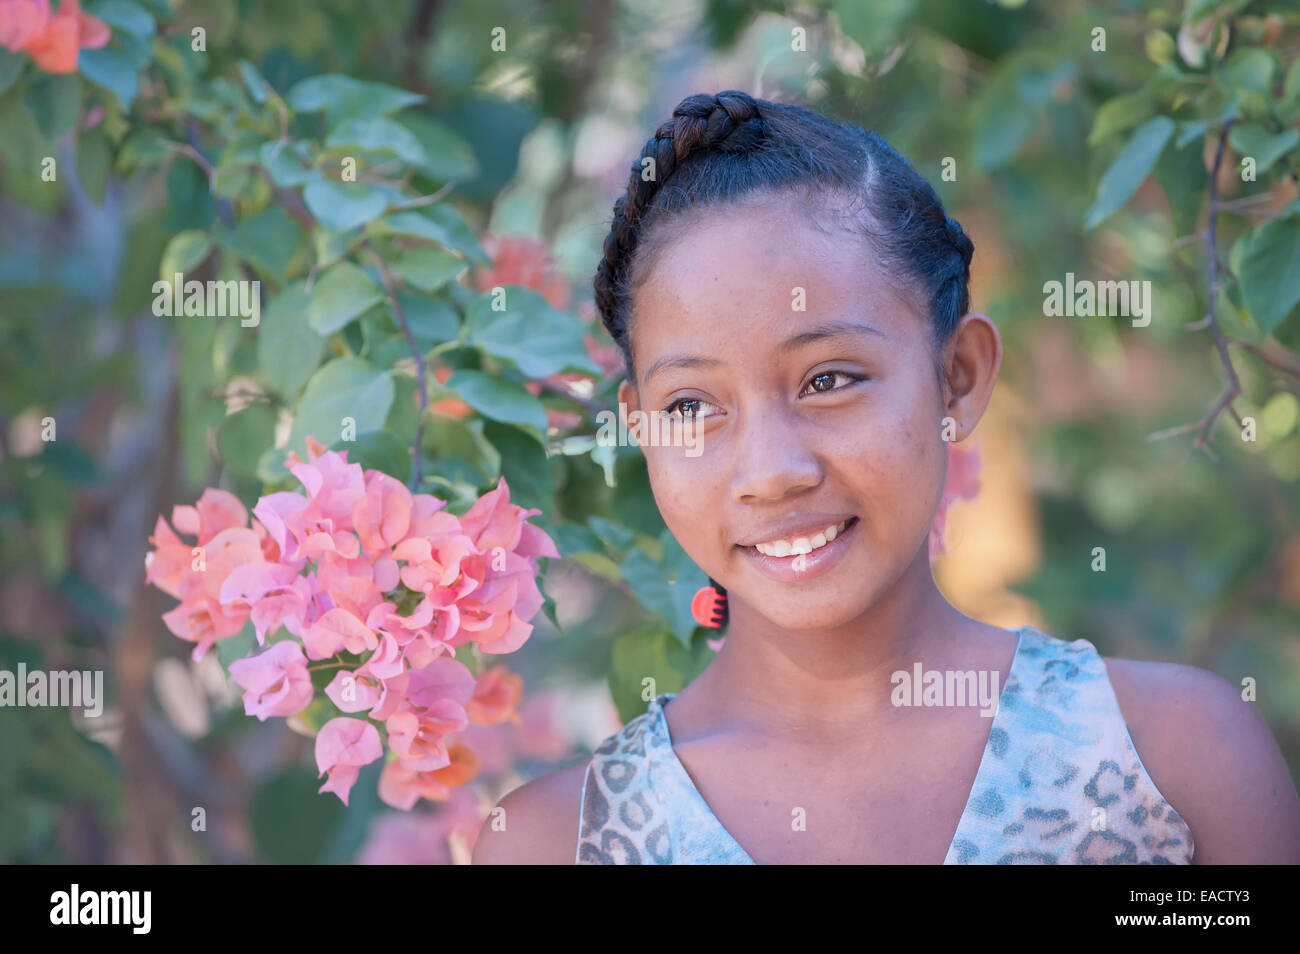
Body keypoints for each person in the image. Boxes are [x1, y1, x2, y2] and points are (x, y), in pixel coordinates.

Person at [472, 90, 1300, 864]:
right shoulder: (559, 842)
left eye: (829, 379)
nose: (771, 473)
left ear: (959, 377)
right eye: (691, 405)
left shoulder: (1174, 762)